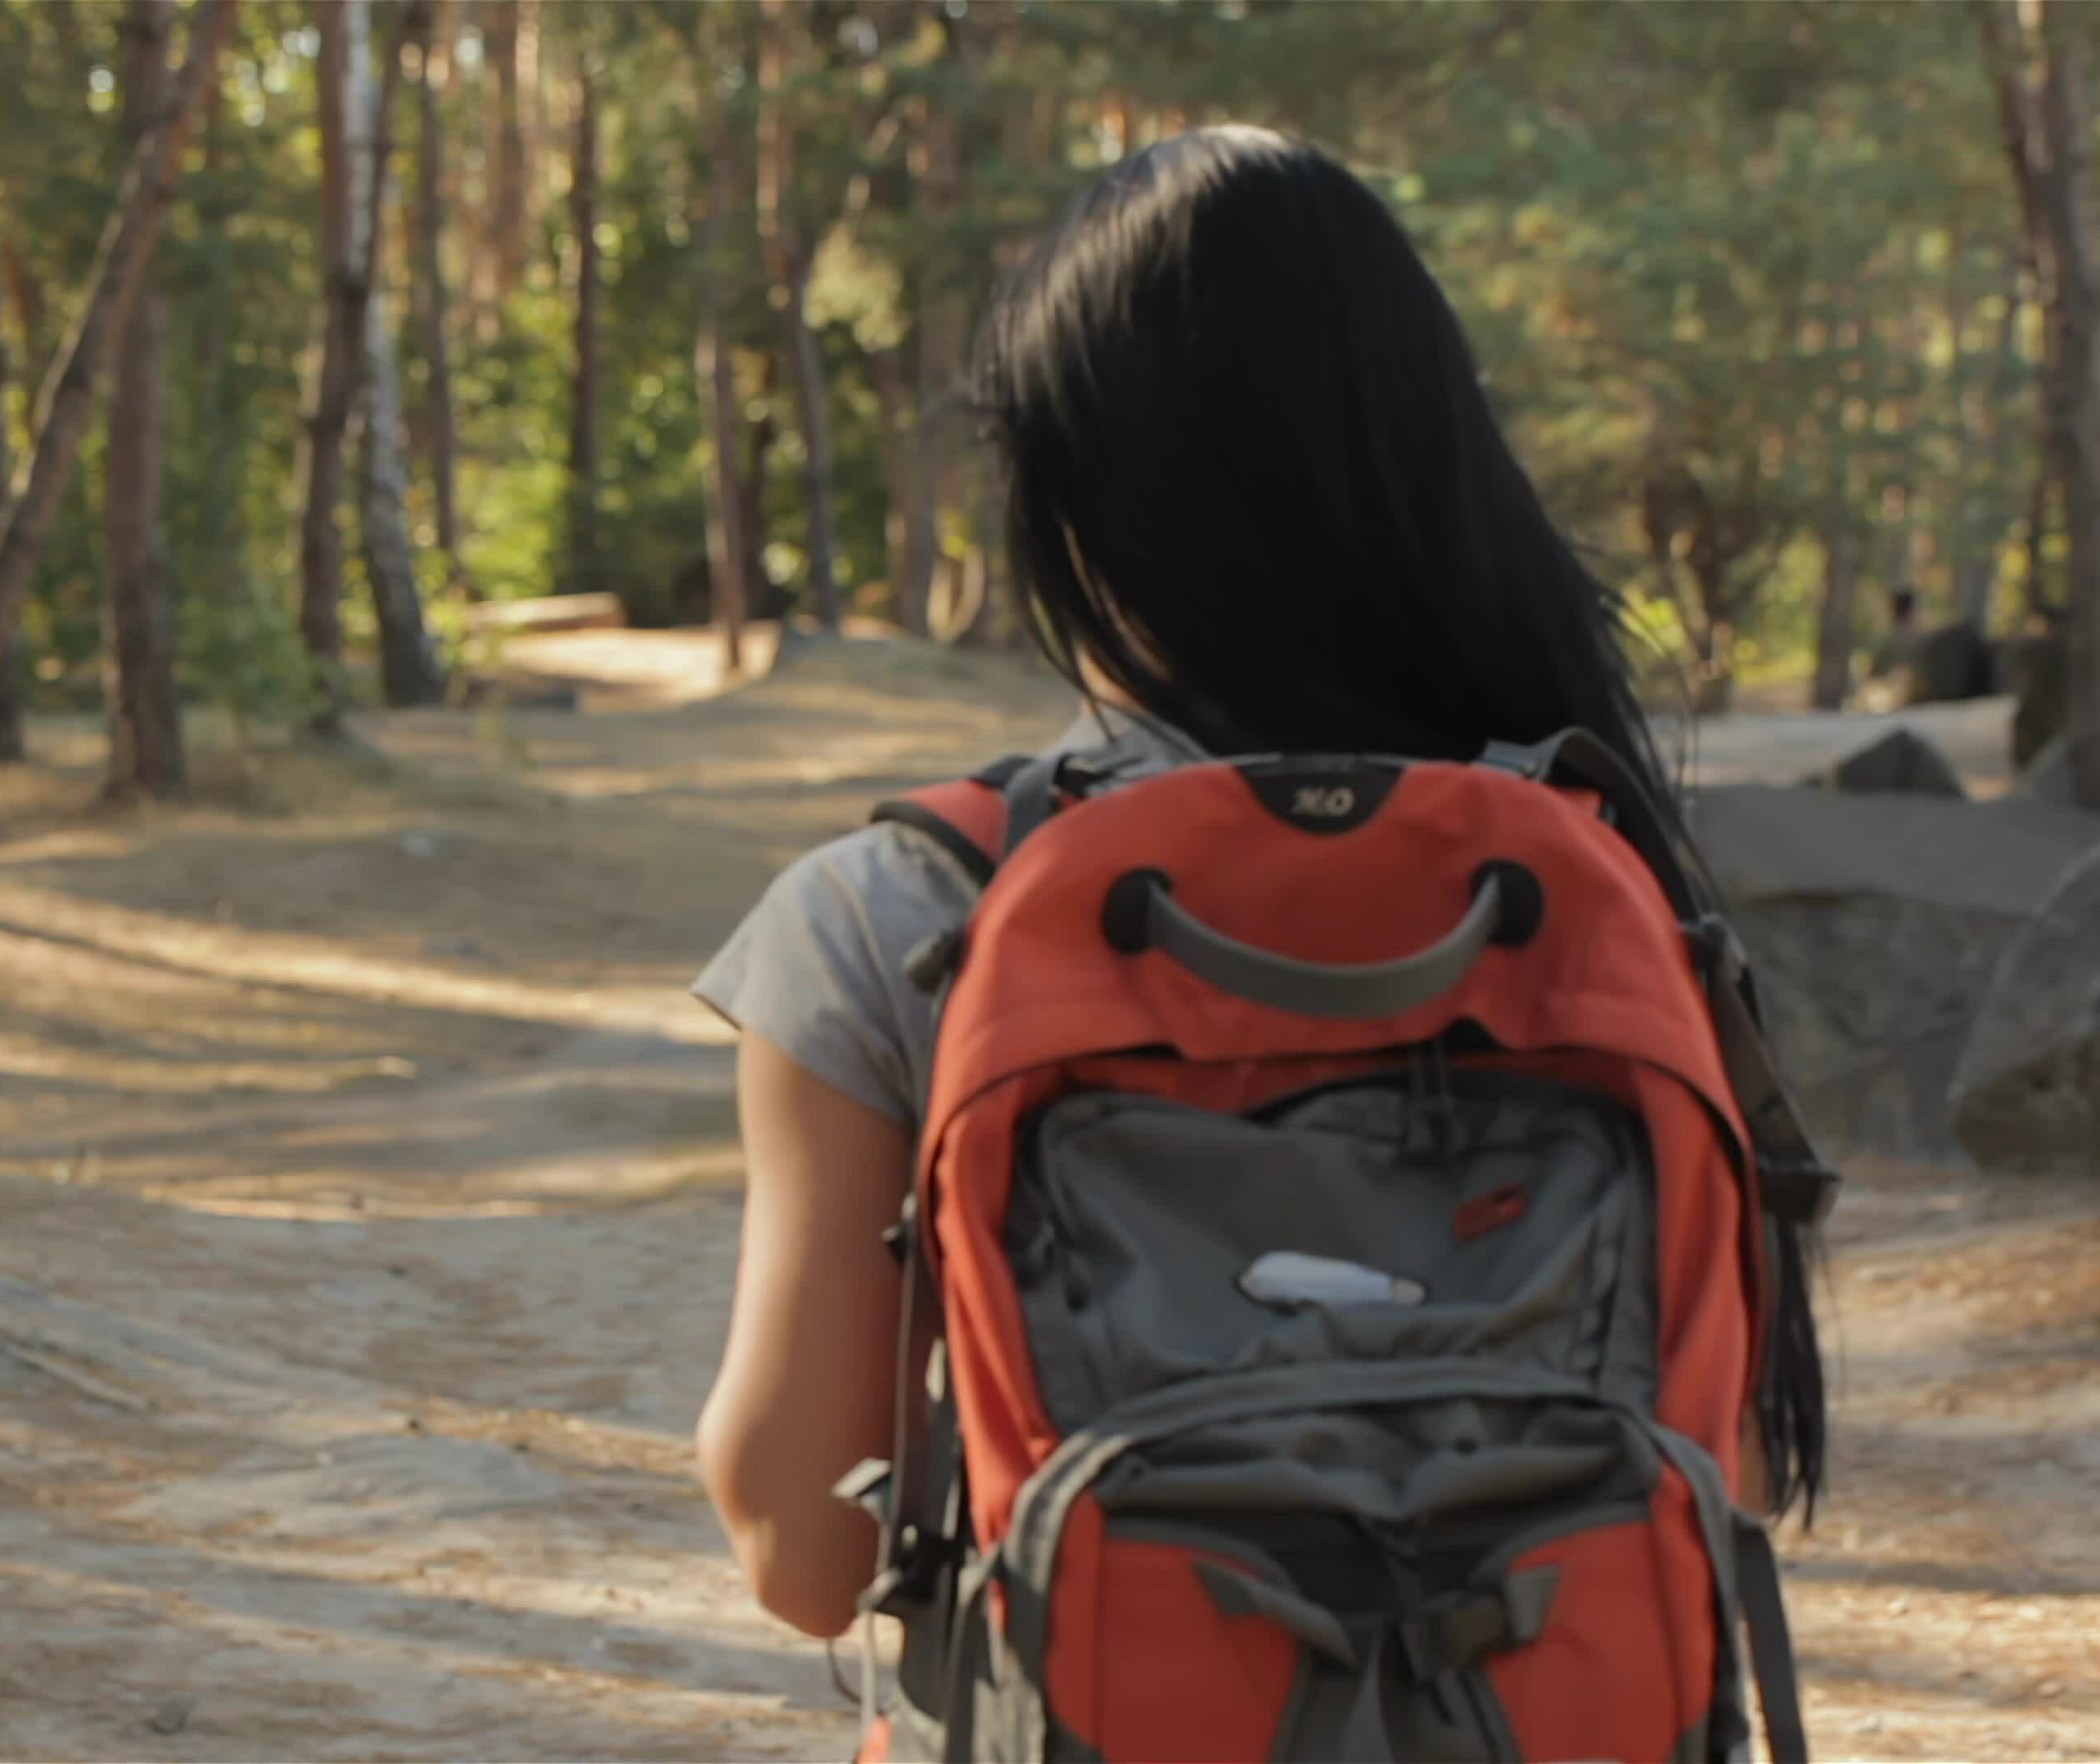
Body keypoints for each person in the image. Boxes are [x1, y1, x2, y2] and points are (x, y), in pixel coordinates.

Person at [689, 125, 1817, 1652]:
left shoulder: (903, 910)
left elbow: (806, 1551)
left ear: (1069, 496)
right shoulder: (1585, 887)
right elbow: (1724, 1468)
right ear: (1432, 458)